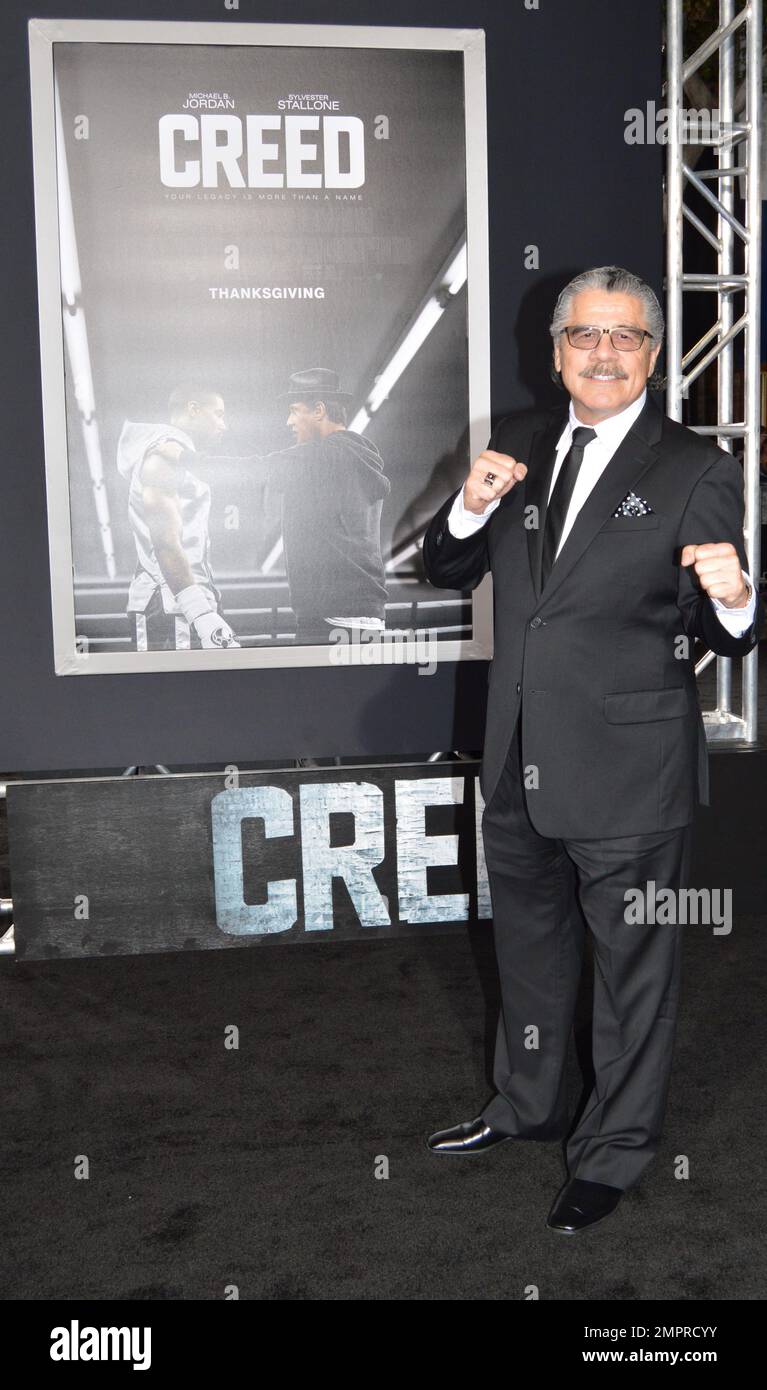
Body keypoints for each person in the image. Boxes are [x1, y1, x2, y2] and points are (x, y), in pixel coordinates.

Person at [421, 266, 761, 1234]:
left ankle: (611, 1152)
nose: (601, 353)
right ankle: (527, 1107)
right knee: (527, 952)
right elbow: (445, 565)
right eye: (583, 336)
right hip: (515, 756)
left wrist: (733, 592)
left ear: (652, 354)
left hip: (628, 769)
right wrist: (469, 505)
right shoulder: (518, 441)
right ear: (555, 349)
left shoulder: (694, 465)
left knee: (629, 975)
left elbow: (730, 634)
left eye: (623, 337)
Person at [164, 368, 392, 645]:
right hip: (369, 617)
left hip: (331, 620)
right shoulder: (356, 457)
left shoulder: (321, 456)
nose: (289, 421)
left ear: (319, 410)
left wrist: (183, 457)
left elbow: (253, 472)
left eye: (295, 411)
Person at [116, 385, 239, 651]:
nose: (223, 425)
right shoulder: (161, 459)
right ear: (193, 409)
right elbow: (166, 543)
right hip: (170, 604)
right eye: (218, 414)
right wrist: (202, 615)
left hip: (186, 601)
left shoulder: (179, 456)